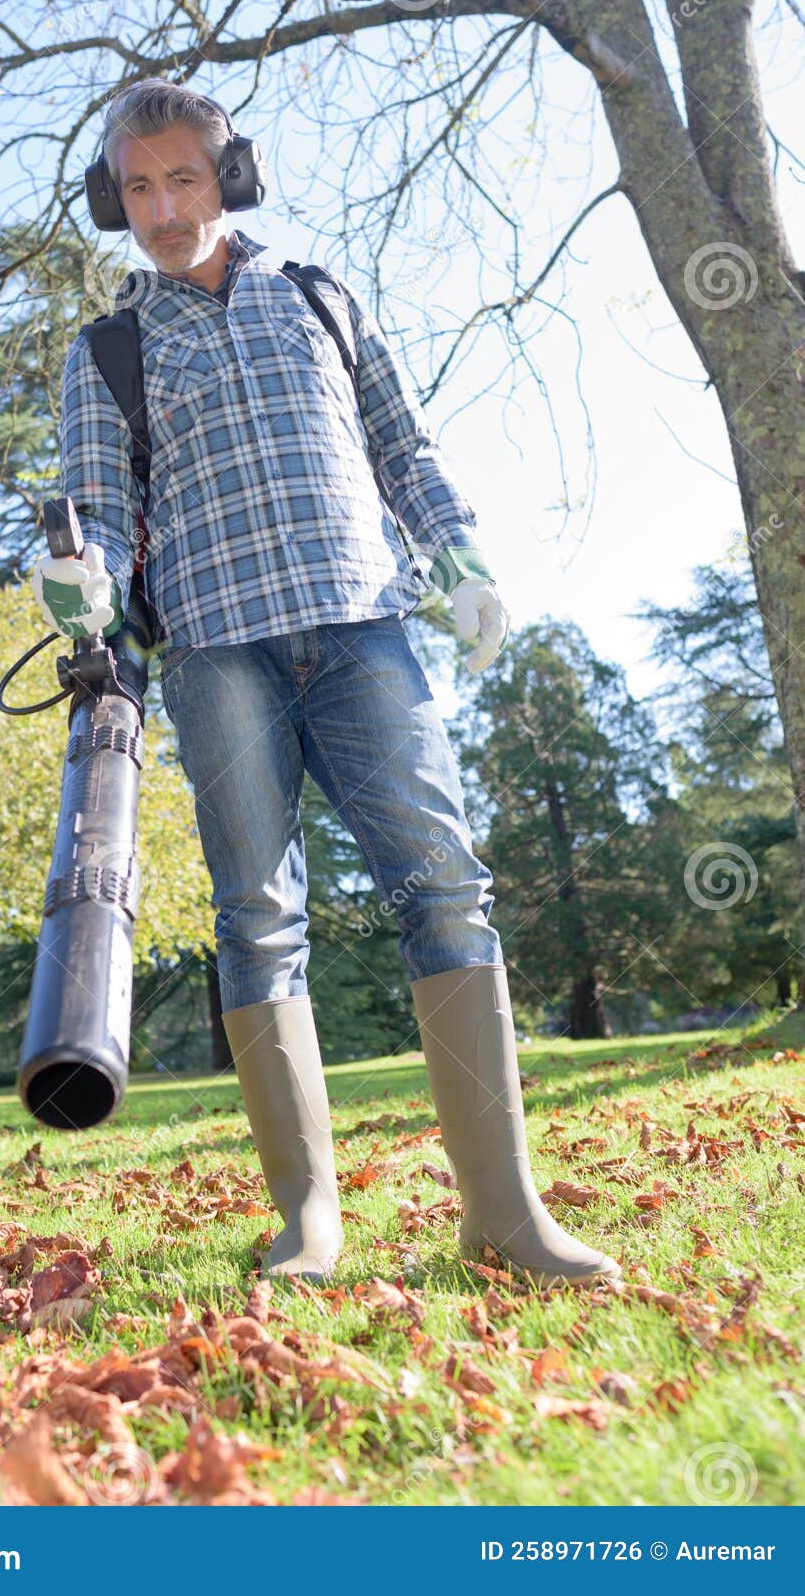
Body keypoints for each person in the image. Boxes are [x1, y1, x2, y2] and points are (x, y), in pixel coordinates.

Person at [33, 79, 622, 1291]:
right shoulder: (110, 352)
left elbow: (402, 444)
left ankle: (505, 1214)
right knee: (257, 914)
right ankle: (310, 1218)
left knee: (446, 887)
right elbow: (99, 510)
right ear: (114, 201)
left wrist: (458, 554)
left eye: (182, 178)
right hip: (214, 649)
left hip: (367, 625)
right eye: (137, 189)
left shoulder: (317, 296)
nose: (162, 208)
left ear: (227, 175)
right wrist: (82, 587)